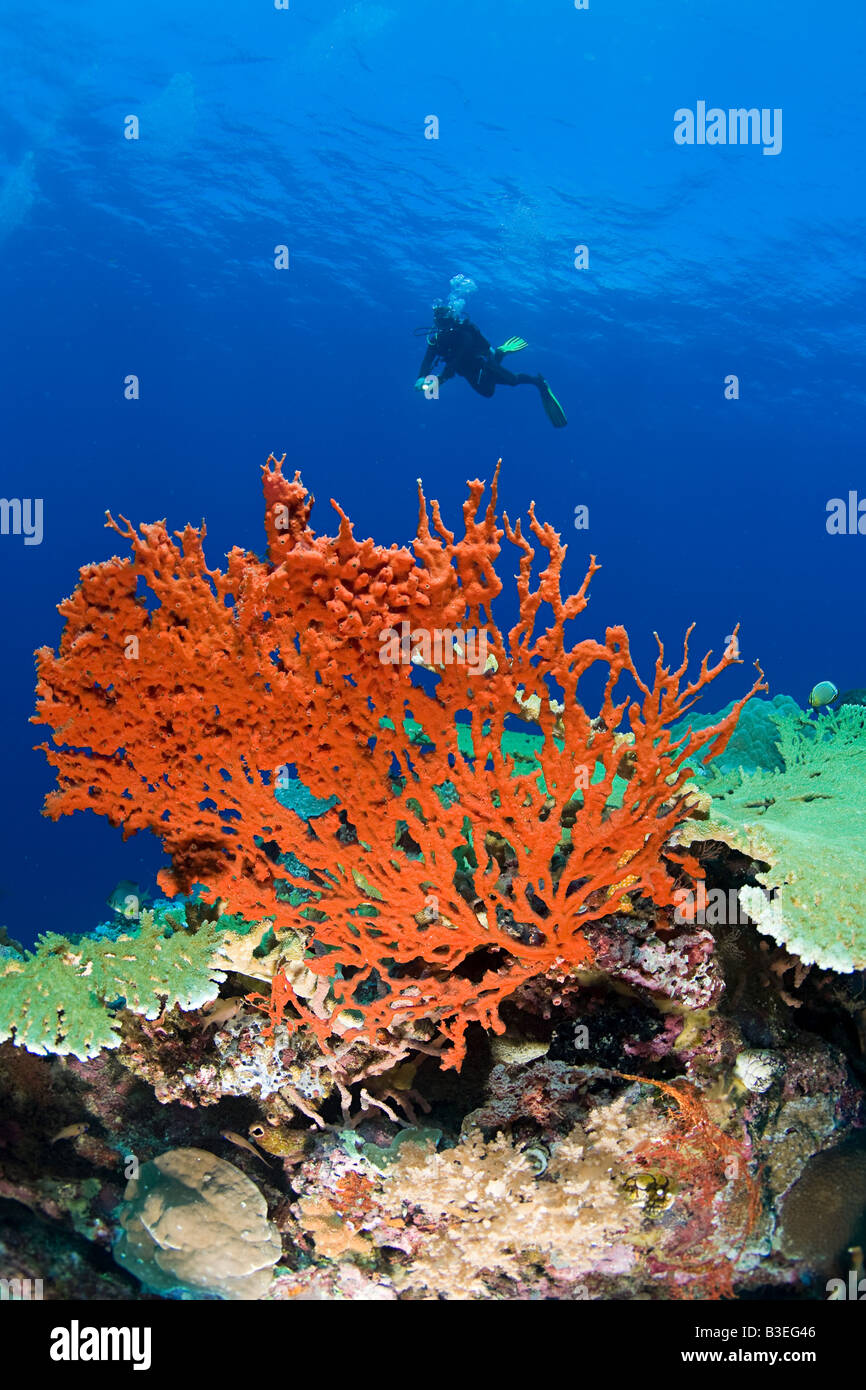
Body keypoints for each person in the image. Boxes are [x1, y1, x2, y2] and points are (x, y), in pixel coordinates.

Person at [414, 284, 567, 428]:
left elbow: (458, 357)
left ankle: (539, 382)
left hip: (484, 362)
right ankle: (500, 352)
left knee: (512, 380)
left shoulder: (464, 334)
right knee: (487, 392)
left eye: (446, 325)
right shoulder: (436, 340)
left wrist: (442, 378)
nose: (444, 330)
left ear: (452, 321)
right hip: (467, 371)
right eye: (441, 326)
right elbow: (428, 359)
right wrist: (422, 377)